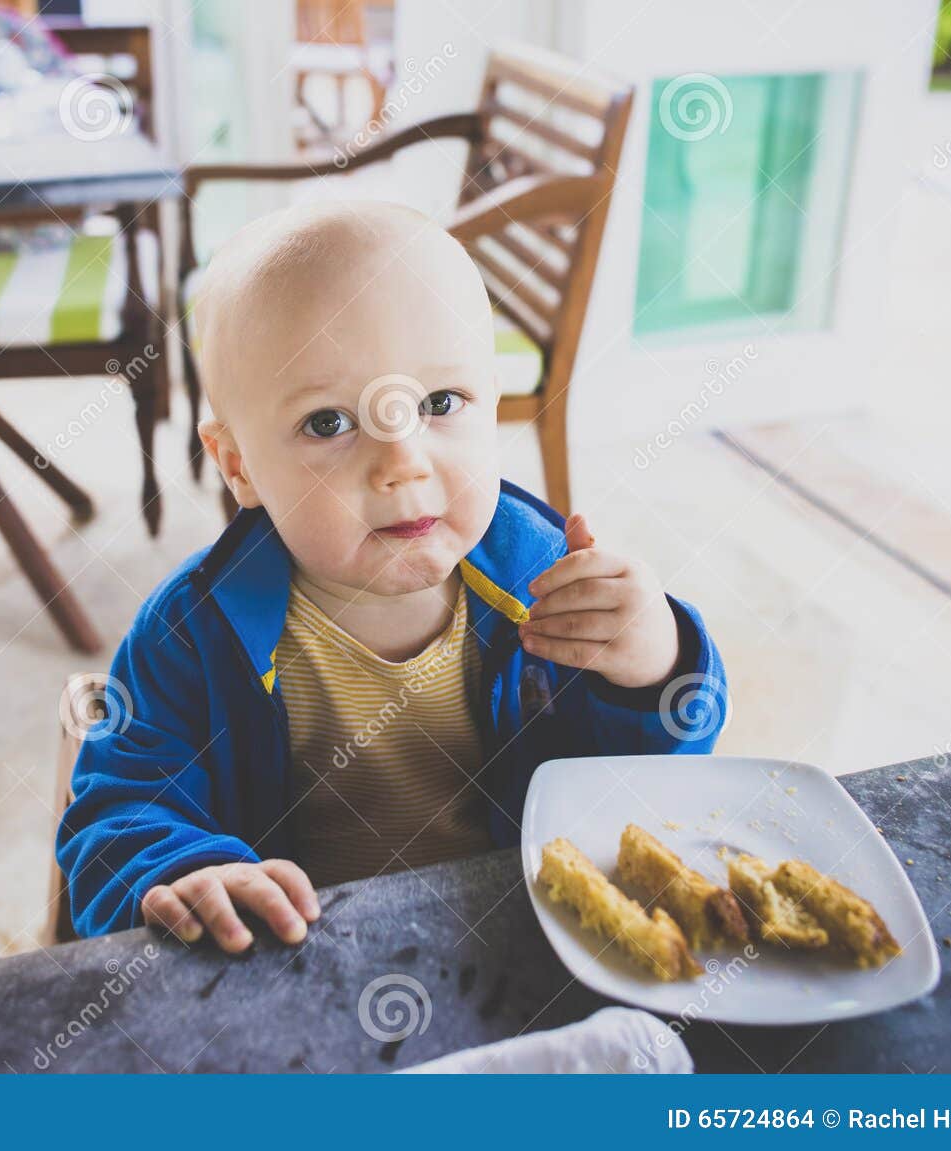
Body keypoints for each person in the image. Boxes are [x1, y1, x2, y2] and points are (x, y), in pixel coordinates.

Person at [58, 200, 727, 947]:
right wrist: (185, 873)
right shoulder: (190, 635)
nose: (402, 462)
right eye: (328, 423)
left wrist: (652, 668)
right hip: (297, 970)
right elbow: (114, 814)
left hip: (512, 944)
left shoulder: (542, 585)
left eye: (440, 403)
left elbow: (639, 792)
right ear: (239, 465)